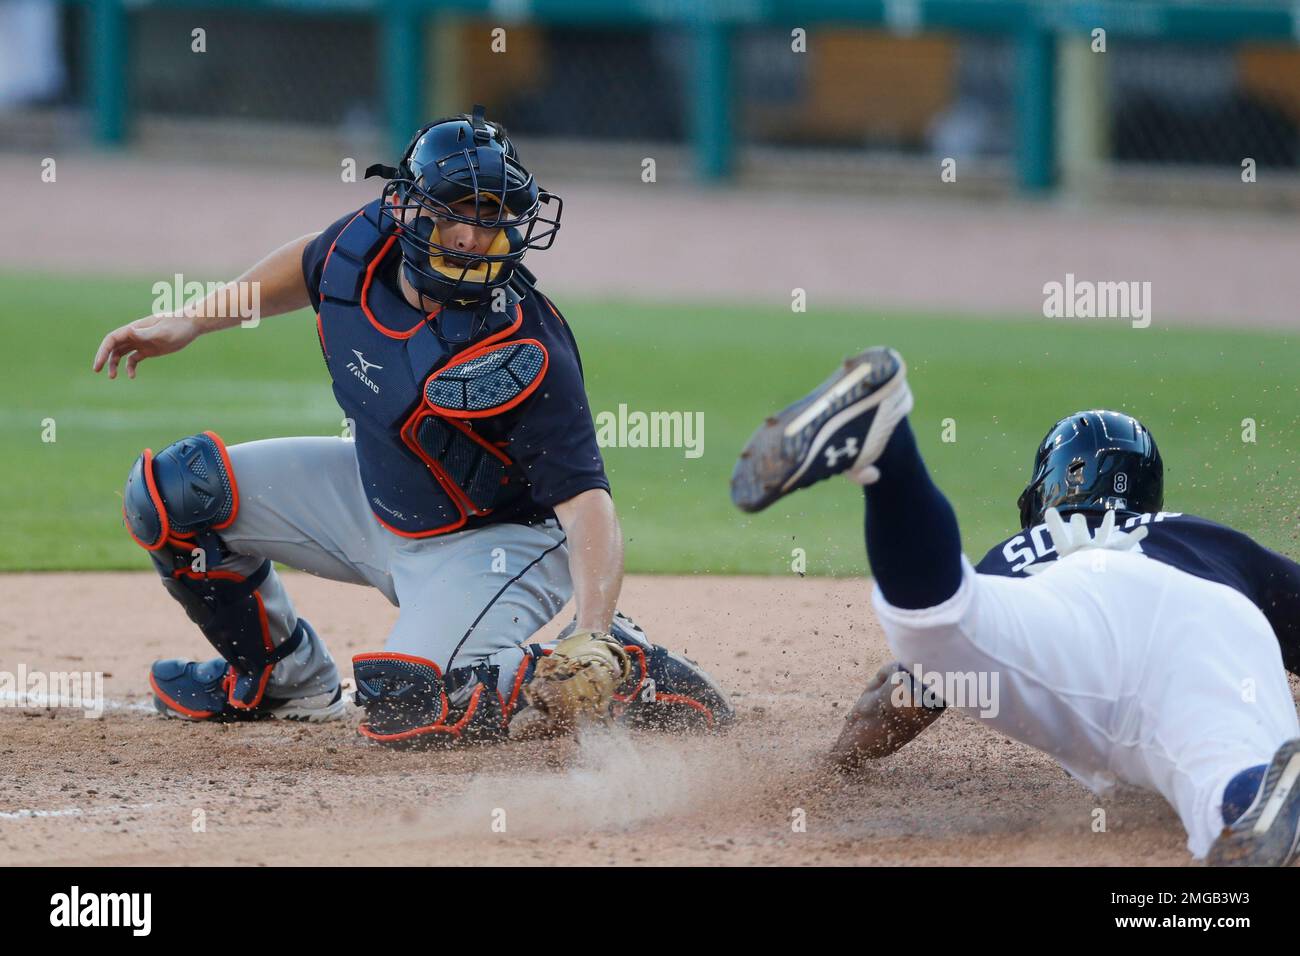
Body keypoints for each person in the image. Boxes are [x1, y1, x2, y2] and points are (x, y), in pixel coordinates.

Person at [92, 107, 731, 744]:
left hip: (495, 543)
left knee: (413, 702)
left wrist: (591, 630)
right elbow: (309, 264)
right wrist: (196, 319)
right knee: (175, 494)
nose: (476, 236)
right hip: (380, 500)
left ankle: (634, 670)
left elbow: (588, 505)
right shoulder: (363, 250)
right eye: (459, 210)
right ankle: (281, 676)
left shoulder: (524, 346)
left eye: (494, 217)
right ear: (408, 209)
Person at [731, 345, 1300, 866]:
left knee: (937, 629)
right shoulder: (1208, 538)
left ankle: (888, 454)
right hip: (1220, 620)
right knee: (1230, 784)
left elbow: (903, 699)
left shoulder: (1024, 551)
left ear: (1051, 487)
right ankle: (1247, 789)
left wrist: (833, 768)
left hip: (1075, 612)